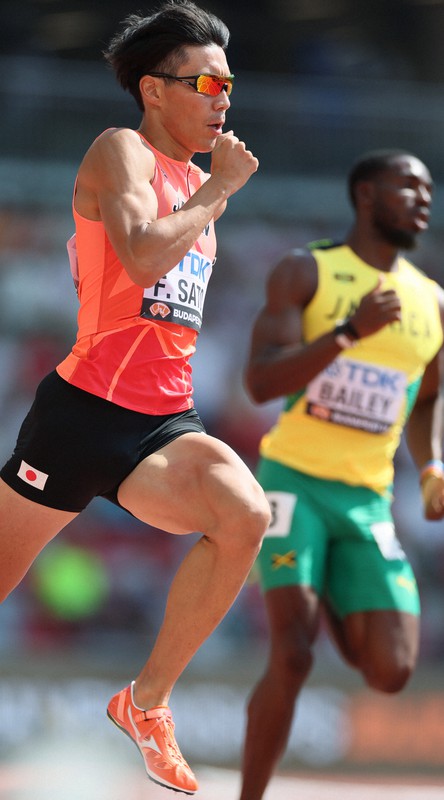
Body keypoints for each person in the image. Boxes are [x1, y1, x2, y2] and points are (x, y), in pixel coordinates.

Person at [0, 1, 271, 795]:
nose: (225, 97)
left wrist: (211, 191)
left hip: (162, 423)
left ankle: (146, 702)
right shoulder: (121, 151)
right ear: (156, 90)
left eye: (231, 81)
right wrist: (217, 191)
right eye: (208, 81)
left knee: (244, 515)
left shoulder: (197, 181)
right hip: (80, 415)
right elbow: (143, 258)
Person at [239, 149, 444, 800]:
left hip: (367, 503)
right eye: (406, 185)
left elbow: (429, 397)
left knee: (391, 670)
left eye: (428, 189)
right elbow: (260, 382)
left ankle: (325, 575)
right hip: (291, 483)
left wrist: (433, 463)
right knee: (293, 654)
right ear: (364, 195)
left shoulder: (432, 300)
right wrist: (348, 332)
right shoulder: (306, 271)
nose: (422, 198)